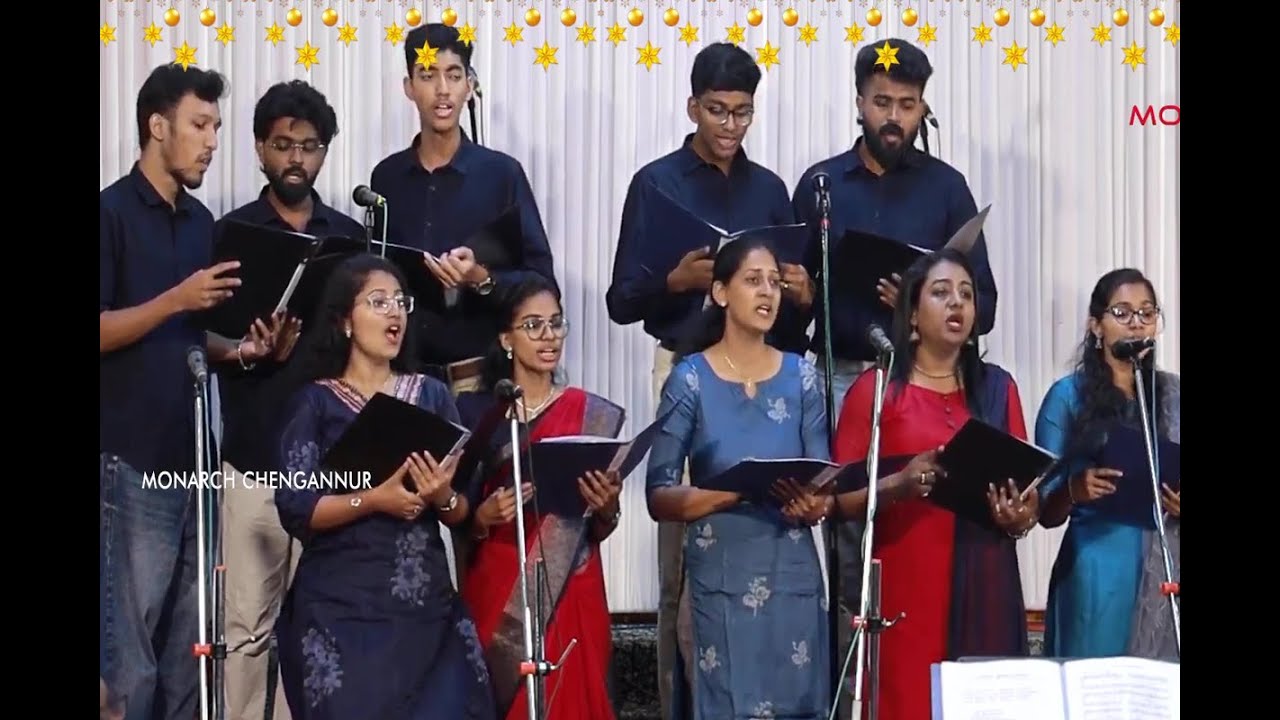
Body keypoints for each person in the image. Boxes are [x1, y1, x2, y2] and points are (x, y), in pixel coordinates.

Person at [605, 43, 812, 718]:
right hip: (685, 368)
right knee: (681, 554)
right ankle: (681, 703)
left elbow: (790, 316)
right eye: (718, 111)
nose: (730, 125)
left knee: (769, 524)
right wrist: (676, 280)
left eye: (743, 113)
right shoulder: (657, 184)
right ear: (692, 106)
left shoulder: (770, 191)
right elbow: (620, 301)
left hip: (764, 376)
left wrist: (801, 293)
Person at [792, 37, 1000, 659]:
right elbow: (788, 303)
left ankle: (924, 660)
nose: (893, 117)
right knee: (840, 531)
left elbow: (985, 305)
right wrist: (804, 294)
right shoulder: (822, 184)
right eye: (882, 102)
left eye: (907, 105)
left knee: (920, 524)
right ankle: (849, 676)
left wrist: (918, 305)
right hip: (840, 379)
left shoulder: (946, 189)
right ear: (859, 102)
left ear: (922, 109)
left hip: (924, 383)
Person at [100, 62, 281, 720]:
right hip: (130, 462)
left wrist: (241, 351)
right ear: (157, 125)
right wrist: (177, 299)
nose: (211, 142)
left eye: (217, 128)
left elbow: (184, 338)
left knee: (190, 653)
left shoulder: (202, 220)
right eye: (200, 125)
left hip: (196, 463)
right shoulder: (111, 214)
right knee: (130, 659)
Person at [272, 253, 495, 719]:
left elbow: (462, 511)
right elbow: (297, 507)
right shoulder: (314, 403)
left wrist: (441, 496)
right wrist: (374, 500)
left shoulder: (431, 394)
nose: (395, 312)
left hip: (425, 611)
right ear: (345, 322)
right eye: (378, 301)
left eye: (400, 301)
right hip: (340, 608)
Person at [213, 79, 365, 720]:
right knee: (246, 628)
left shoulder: (351, 239)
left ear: (325, 151)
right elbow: (199, 337)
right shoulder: (231, 234)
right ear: (259, 149)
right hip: (253, 457)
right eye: (283, 145)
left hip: (331, 465)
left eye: (309, 146)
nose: (296, 158)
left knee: (322, 623)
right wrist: (248, 351)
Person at [830, 248, 1035, 720]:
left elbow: (1029, 497)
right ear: (912, 315)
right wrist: (898, 486)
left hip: (984, 582)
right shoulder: (877, 390)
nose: (957, 303)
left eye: (966, 294)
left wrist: (1019, 516)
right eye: (941, 293)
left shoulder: (999, 389)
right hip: (904, 588)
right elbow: (838, 501)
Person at [645, 237, 831, 720]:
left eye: (775, 282)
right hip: (720, 576)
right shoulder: (690, 378)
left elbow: (823, 485)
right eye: (753, 280)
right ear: (721, 293)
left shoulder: (802, 378)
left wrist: (815, 505)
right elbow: (659, 495)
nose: (768, 292)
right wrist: (734, 490)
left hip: (791, 574)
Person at [455, 276, 624, 719]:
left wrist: (607, 507)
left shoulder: (590, 414)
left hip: (573, 583)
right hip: (500, 579)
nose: (549, 336)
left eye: (555, 323)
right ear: (505, 338)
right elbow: (455, 511)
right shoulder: (479, 415)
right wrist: (482, 517)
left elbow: (598, 525)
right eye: (533, 325)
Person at [369, 22, 557, 394]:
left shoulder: (501, 174)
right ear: (409, 87)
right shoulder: (386, 177)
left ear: (469, 85)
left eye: (454, 76)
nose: (442, 89)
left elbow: (543, 285)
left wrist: (481, 279)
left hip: (482, 381)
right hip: (404, 378)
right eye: (428, 75)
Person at [1035, 268, 1180, 661]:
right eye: (1122, 312)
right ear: (1096, 326)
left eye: (1147, 312)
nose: (1137, 322)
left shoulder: (1173, 396)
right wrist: (1073, 490)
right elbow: (1043, 511)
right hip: (1097, 572)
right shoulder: (1067, 397)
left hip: (1166, 569)